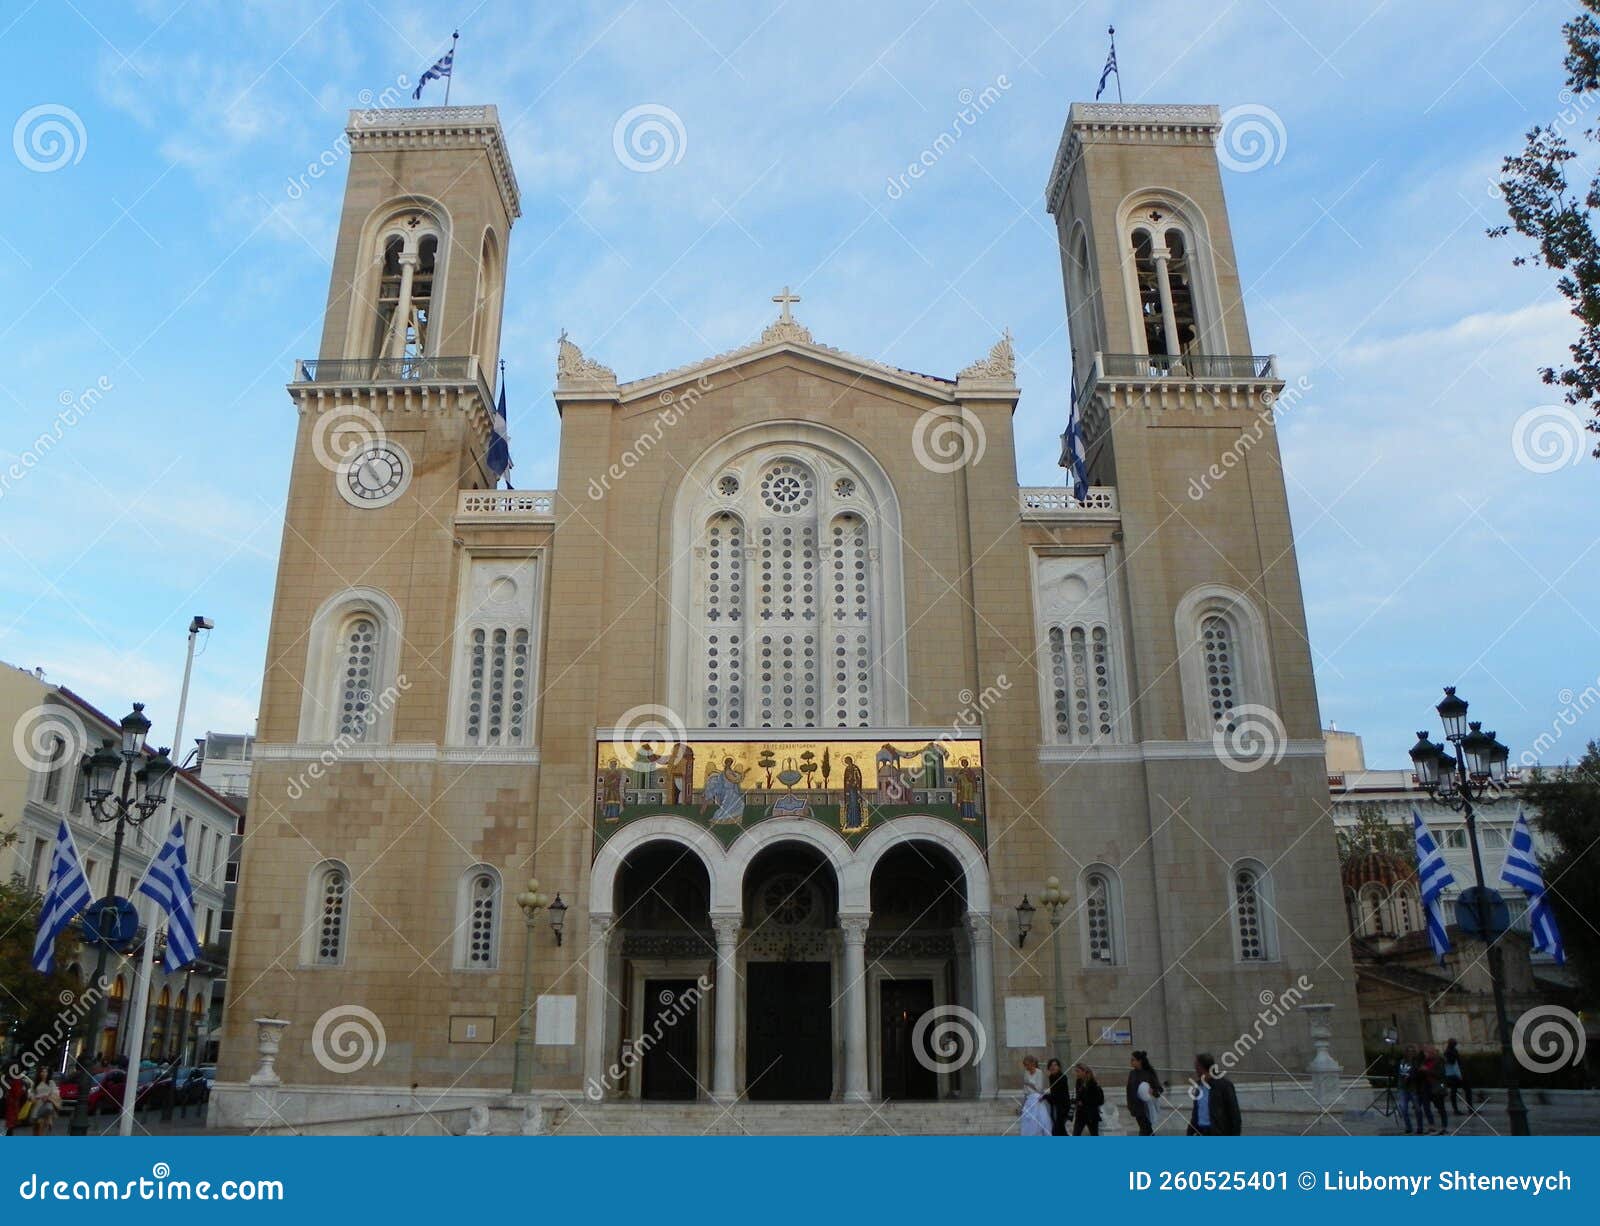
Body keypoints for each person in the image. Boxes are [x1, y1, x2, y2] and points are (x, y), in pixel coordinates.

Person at [1187, 1055, 1241, 1136]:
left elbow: (1234, 1113)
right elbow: (1196, 1112)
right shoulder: (1198, 1086)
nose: (1195, 1069)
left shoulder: (1224, 1086)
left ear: (1202, 1067)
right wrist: (1190, 1132)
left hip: (1218, 1132)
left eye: (1197, 1066)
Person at [1126, 1050, 1163, 1135]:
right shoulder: (1132, 1074)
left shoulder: (1149, 1074)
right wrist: (1129, 1105)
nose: (1131, 1061)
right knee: (1146, 1130)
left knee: (1145, 1130)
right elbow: (1129, 1090)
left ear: (1139, 1061)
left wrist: (1153, 1091)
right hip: (1136, 1108)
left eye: (1133, 1060)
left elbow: (1159, 1090)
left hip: (1147, 1108)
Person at [1018, 1056, 1052, 1136]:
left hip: (1037, 1097)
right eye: (1025, 1065)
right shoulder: (1026, 1072)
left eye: (1027, 1064)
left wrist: (1029, 1083)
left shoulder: (1039, 1072)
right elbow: (1025, 1088)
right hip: (1029, 1098)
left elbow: (1040, 1088)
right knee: (1027, 1119)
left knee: (1039, 1119)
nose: (1026, 1067)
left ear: (1032, 1064)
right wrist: (1024, 1100)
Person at [1419, 1045, 1448, 1134]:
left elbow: (1440, 1074)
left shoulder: (1440, 1061)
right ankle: (1432, 1126)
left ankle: (1444, 1127)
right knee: (1426, 1107)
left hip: (1436, 1087)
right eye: (1426, 1052)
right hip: (1426, 1087)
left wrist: (1427, 1070)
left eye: (1429, 1052)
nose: (1427, 1054)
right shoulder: (1424, 1061)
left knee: (1440, 1107)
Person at [1443, 1038, 1474, 1115]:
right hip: (1454, 1075)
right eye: (1454, 1043)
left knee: (1457, 1091)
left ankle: (1464, 1109)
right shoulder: (1448, 1052)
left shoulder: (1452, 1051)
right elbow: (1452, 1062)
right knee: (1458, 1092)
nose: (1455, 1044)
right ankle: (1463, 1109)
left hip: (1455, 1074)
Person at [1072, 1064, 1104, 1135]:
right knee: (1076, 1133)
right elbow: (1078, 1096)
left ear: (1084, 1072)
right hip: (1080, 1113)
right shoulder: (1078, 1081)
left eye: (1078, 1071)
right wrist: (1077, 1101)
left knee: (1094, 1134)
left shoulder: (1093, 1083)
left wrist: (1083, 1102)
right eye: (1076, 1071)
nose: (1076, 1073)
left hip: (1091, 1114)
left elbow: (1098, 1100)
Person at [28, 1069, 61, 1136]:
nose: (44, 1073)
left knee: (41, 1126)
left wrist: (48, 1097)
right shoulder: (36, 1083)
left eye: (45, 1072)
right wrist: (32, 1097)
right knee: (35, 1127)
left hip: (46, 1106)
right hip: (37, 1105)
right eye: (42, 1071)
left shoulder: (51, 1082)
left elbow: (56, 1093)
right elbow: (31, 1093)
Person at [1045, 1058, 1072, 1136]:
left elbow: (1058, 1095)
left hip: (1063, 1107)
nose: (1053, 1067)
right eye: (1051, 1065)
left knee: (1056, 1131)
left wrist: (1046, 1097)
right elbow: (1053, 1093)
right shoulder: (1052, 1077)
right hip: (1057, 1106)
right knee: (1060, 1130)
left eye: (1055, 1065)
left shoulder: (1062, 1077)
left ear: (1059, 1067)